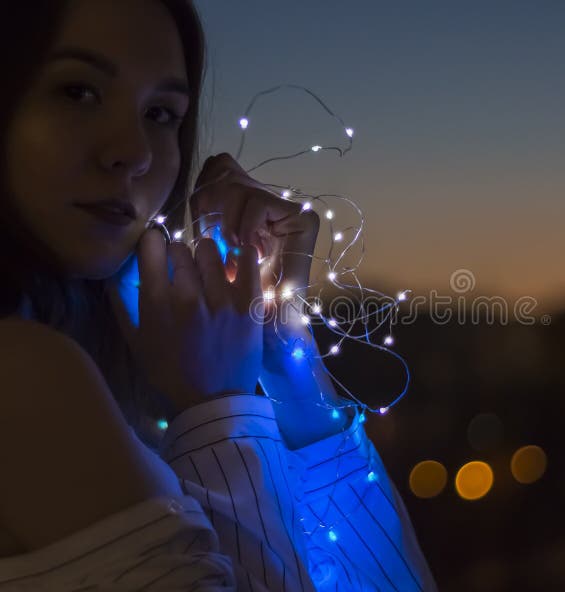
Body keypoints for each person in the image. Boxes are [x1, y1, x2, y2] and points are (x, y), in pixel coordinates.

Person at [0, 1, 436, 590]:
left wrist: (285, 350)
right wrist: (218, 408)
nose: (135, 151)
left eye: (160, 113)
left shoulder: (84, 362)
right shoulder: (22, 375)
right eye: (78, 92)